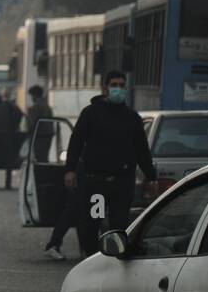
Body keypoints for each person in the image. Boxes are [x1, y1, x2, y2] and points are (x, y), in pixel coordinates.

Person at [65, 70, 157, 256]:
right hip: (96, 183)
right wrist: (70, 170)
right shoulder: (91, 113)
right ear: (105, 87)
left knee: (119, 224)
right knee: (93, 221)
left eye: (122, 86)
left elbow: (142, 150)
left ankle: (115, 259)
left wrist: (152, 176)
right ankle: (90, 256)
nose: (118, 89)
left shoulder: (131, 117)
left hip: (121, 184)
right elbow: (76, 142)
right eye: (114, 85)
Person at [0, 90, 24, 189]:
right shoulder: (7, 106)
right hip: (7, 136)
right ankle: (7, 183)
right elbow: (19, 114)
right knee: (8, 162)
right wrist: (14, 126)